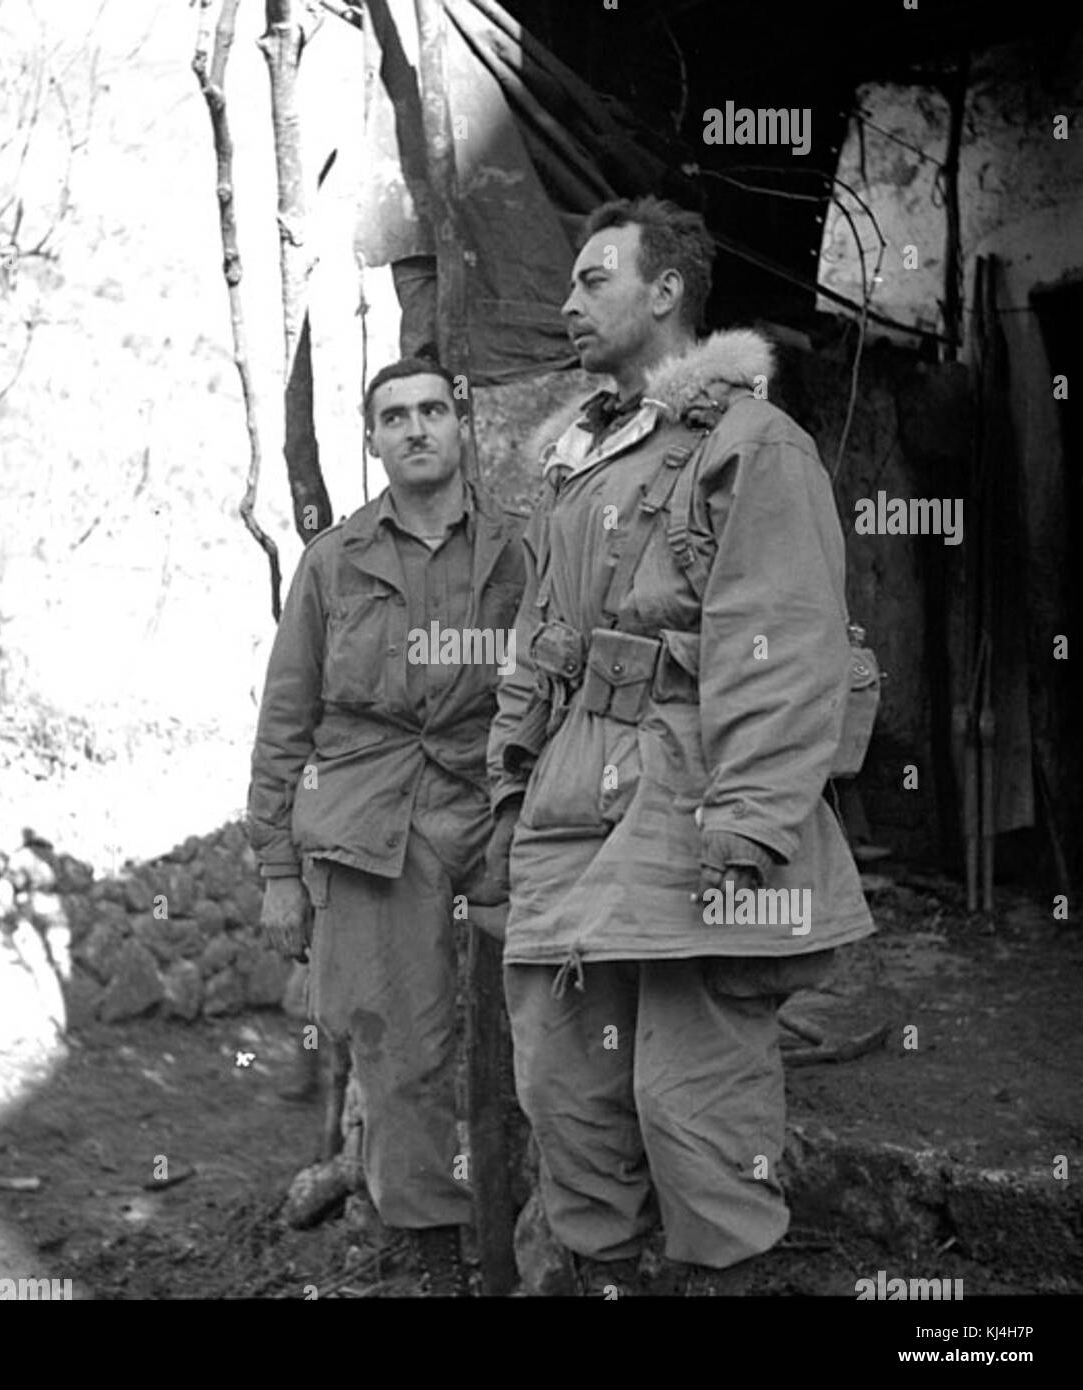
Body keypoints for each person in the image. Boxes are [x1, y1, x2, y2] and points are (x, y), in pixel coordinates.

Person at [486, 196, 876, 1295]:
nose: (567, 304)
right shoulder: (581, 461)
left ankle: (728, 1278)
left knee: (689, 1100)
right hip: (575, 791)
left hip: (694, 786)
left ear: (666, 291)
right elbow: (540, 635)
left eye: (593, 279)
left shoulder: (755, 444)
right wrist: (511, 777)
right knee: (564, 1088)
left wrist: (751, 817)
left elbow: (783, 639)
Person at [247, 358, 524, 1295]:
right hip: (370, 822)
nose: (416, 428)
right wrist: (279, 869)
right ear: (371, 439)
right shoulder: (335, 563)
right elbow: (285, 720)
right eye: (394, 415)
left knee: (539, 1041)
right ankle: (431, 1259)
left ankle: (539, 1246)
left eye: (434, 410)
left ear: (462, 425)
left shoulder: (520, 553)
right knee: (400, 1049)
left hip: (492, 812)